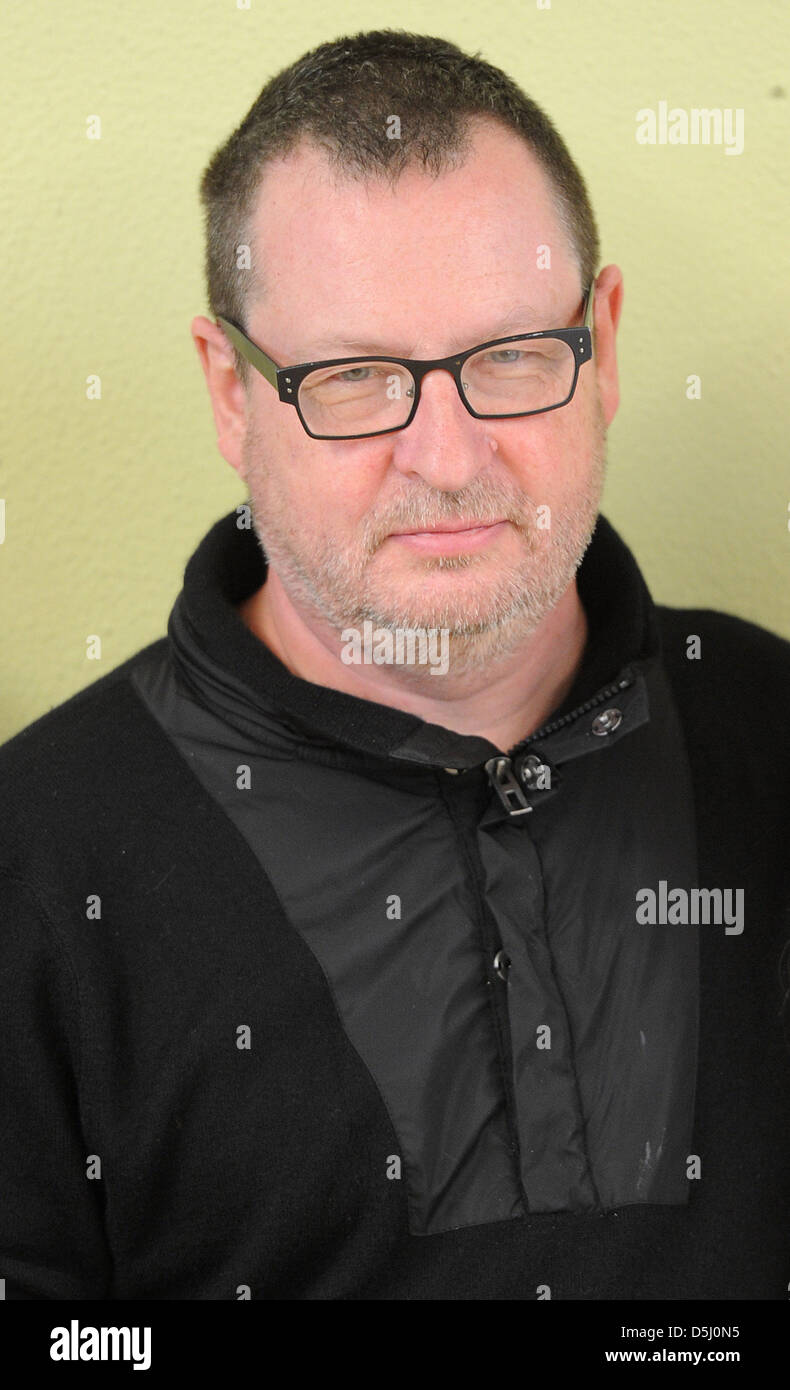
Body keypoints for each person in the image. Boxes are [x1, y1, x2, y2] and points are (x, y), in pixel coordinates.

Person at [1, 28, 788, 1302]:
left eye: (512, 358)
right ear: (231, 393)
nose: (446, 455)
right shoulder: (33, 866)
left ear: (605, 343)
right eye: (356, 377)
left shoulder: (769, 724)